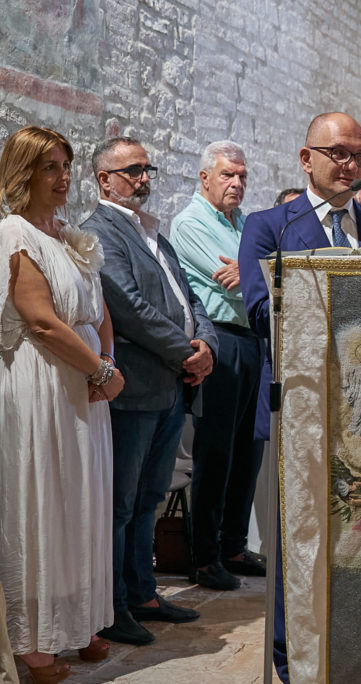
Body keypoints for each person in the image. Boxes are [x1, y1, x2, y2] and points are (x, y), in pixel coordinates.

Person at [238, 111, 361, 683]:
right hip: (302, 411)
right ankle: (295, 661)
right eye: (336, 153)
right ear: (305, 158)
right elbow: (262, 313)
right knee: (301, 540)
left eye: (357, 154)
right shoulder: (271, 228)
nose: (349, 164)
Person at [0, 126, 126, 682]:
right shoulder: (14, 233)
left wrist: (107, 368)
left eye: (66, 165)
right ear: (22, 173)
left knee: (83, 504)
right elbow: (43, 322)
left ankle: (78, 623)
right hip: (43, 385)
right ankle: (35, 640)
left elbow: (97, 311)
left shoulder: (68, 234)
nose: (64, 176)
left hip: (85, 387)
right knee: (44, 503)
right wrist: (98, 369)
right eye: (50, 167)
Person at [83, 136, 218, 646]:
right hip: (135, 389)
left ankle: (142, 592)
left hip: (169, 390)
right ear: (104, 180)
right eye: (132, 170)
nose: (143, 178)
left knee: (150, 501)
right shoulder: (99, 232)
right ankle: (111, 605)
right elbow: (127, 306)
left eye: (146, 169)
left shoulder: (153, 232)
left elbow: (190, 297)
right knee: (120, 503)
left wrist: (206, 342)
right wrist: (186, 352)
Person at [170, 141, 265, 592]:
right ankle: (205, 557)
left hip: (253, 340)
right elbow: (223, 280)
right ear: (205, 177)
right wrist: (258, 273)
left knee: (249, 449)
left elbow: (253, 276)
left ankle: (233, 544)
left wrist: (255, 272)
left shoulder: (243, 222)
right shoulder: (190, 222)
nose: (237, 183)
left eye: (243, 176)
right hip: (221, 340)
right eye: (228, 175)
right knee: (217, 451)